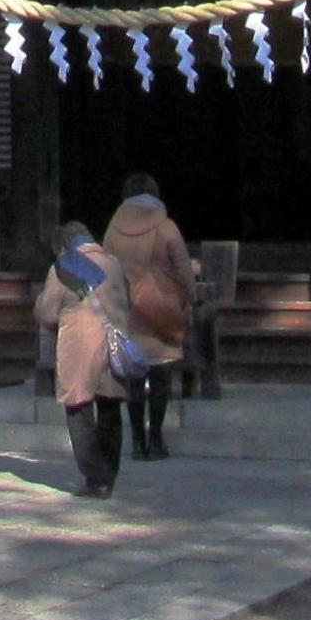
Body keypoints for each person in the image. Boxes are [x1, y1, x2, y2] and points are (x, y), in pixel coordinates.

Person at [35, 218, 136, 497]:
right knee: (110, 408)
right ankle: (109, 475)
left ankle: (95, 475)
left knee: (78, 409)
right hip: (114, 343)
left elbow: (47, 313)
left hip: (79, 347)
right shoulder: (114, 264)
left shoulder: (62, 268)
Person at [102, 171, 193, 459]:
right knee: (161, 377)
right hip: (161, 310)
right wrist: (188, 299)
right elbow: (184, 272)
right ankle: (156, 440)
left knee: (134, 379)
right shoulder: (166, 228)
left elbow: (105, 268)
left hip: (128, 312)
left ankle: (137, 442)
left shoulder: (113, 230)